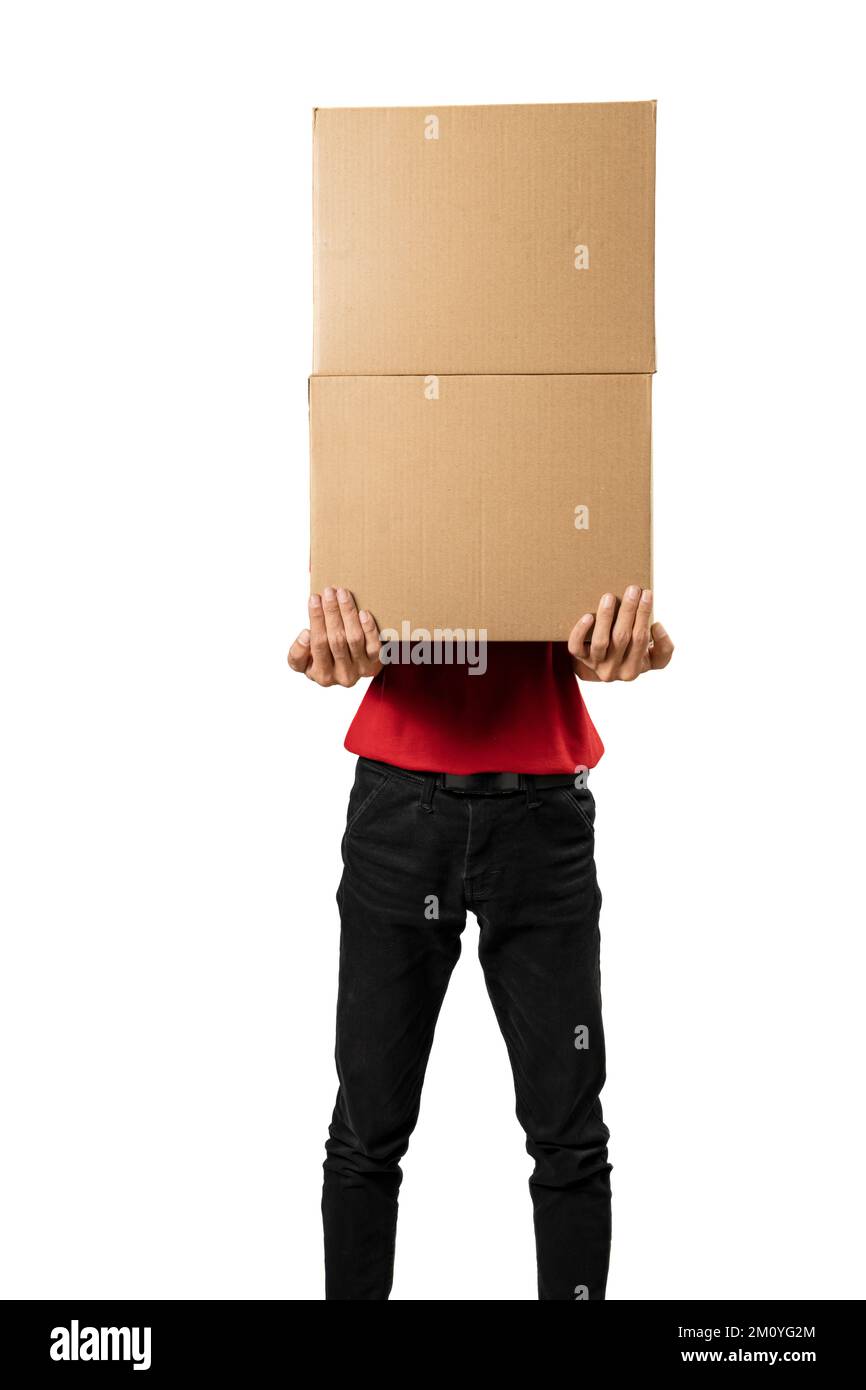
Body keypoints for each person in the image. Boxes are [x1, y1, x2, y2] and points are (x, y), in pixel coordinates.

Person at [288, 583, 674, 1300]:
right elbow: (329, 634)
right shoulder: (382, 473)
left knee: (570, 1132)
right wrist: (329, 646)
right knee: (366, 1128)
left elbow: (600, 607)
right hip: (399, 807)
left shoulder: (570, 473)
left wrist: (621, 642)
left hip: (544, 812)